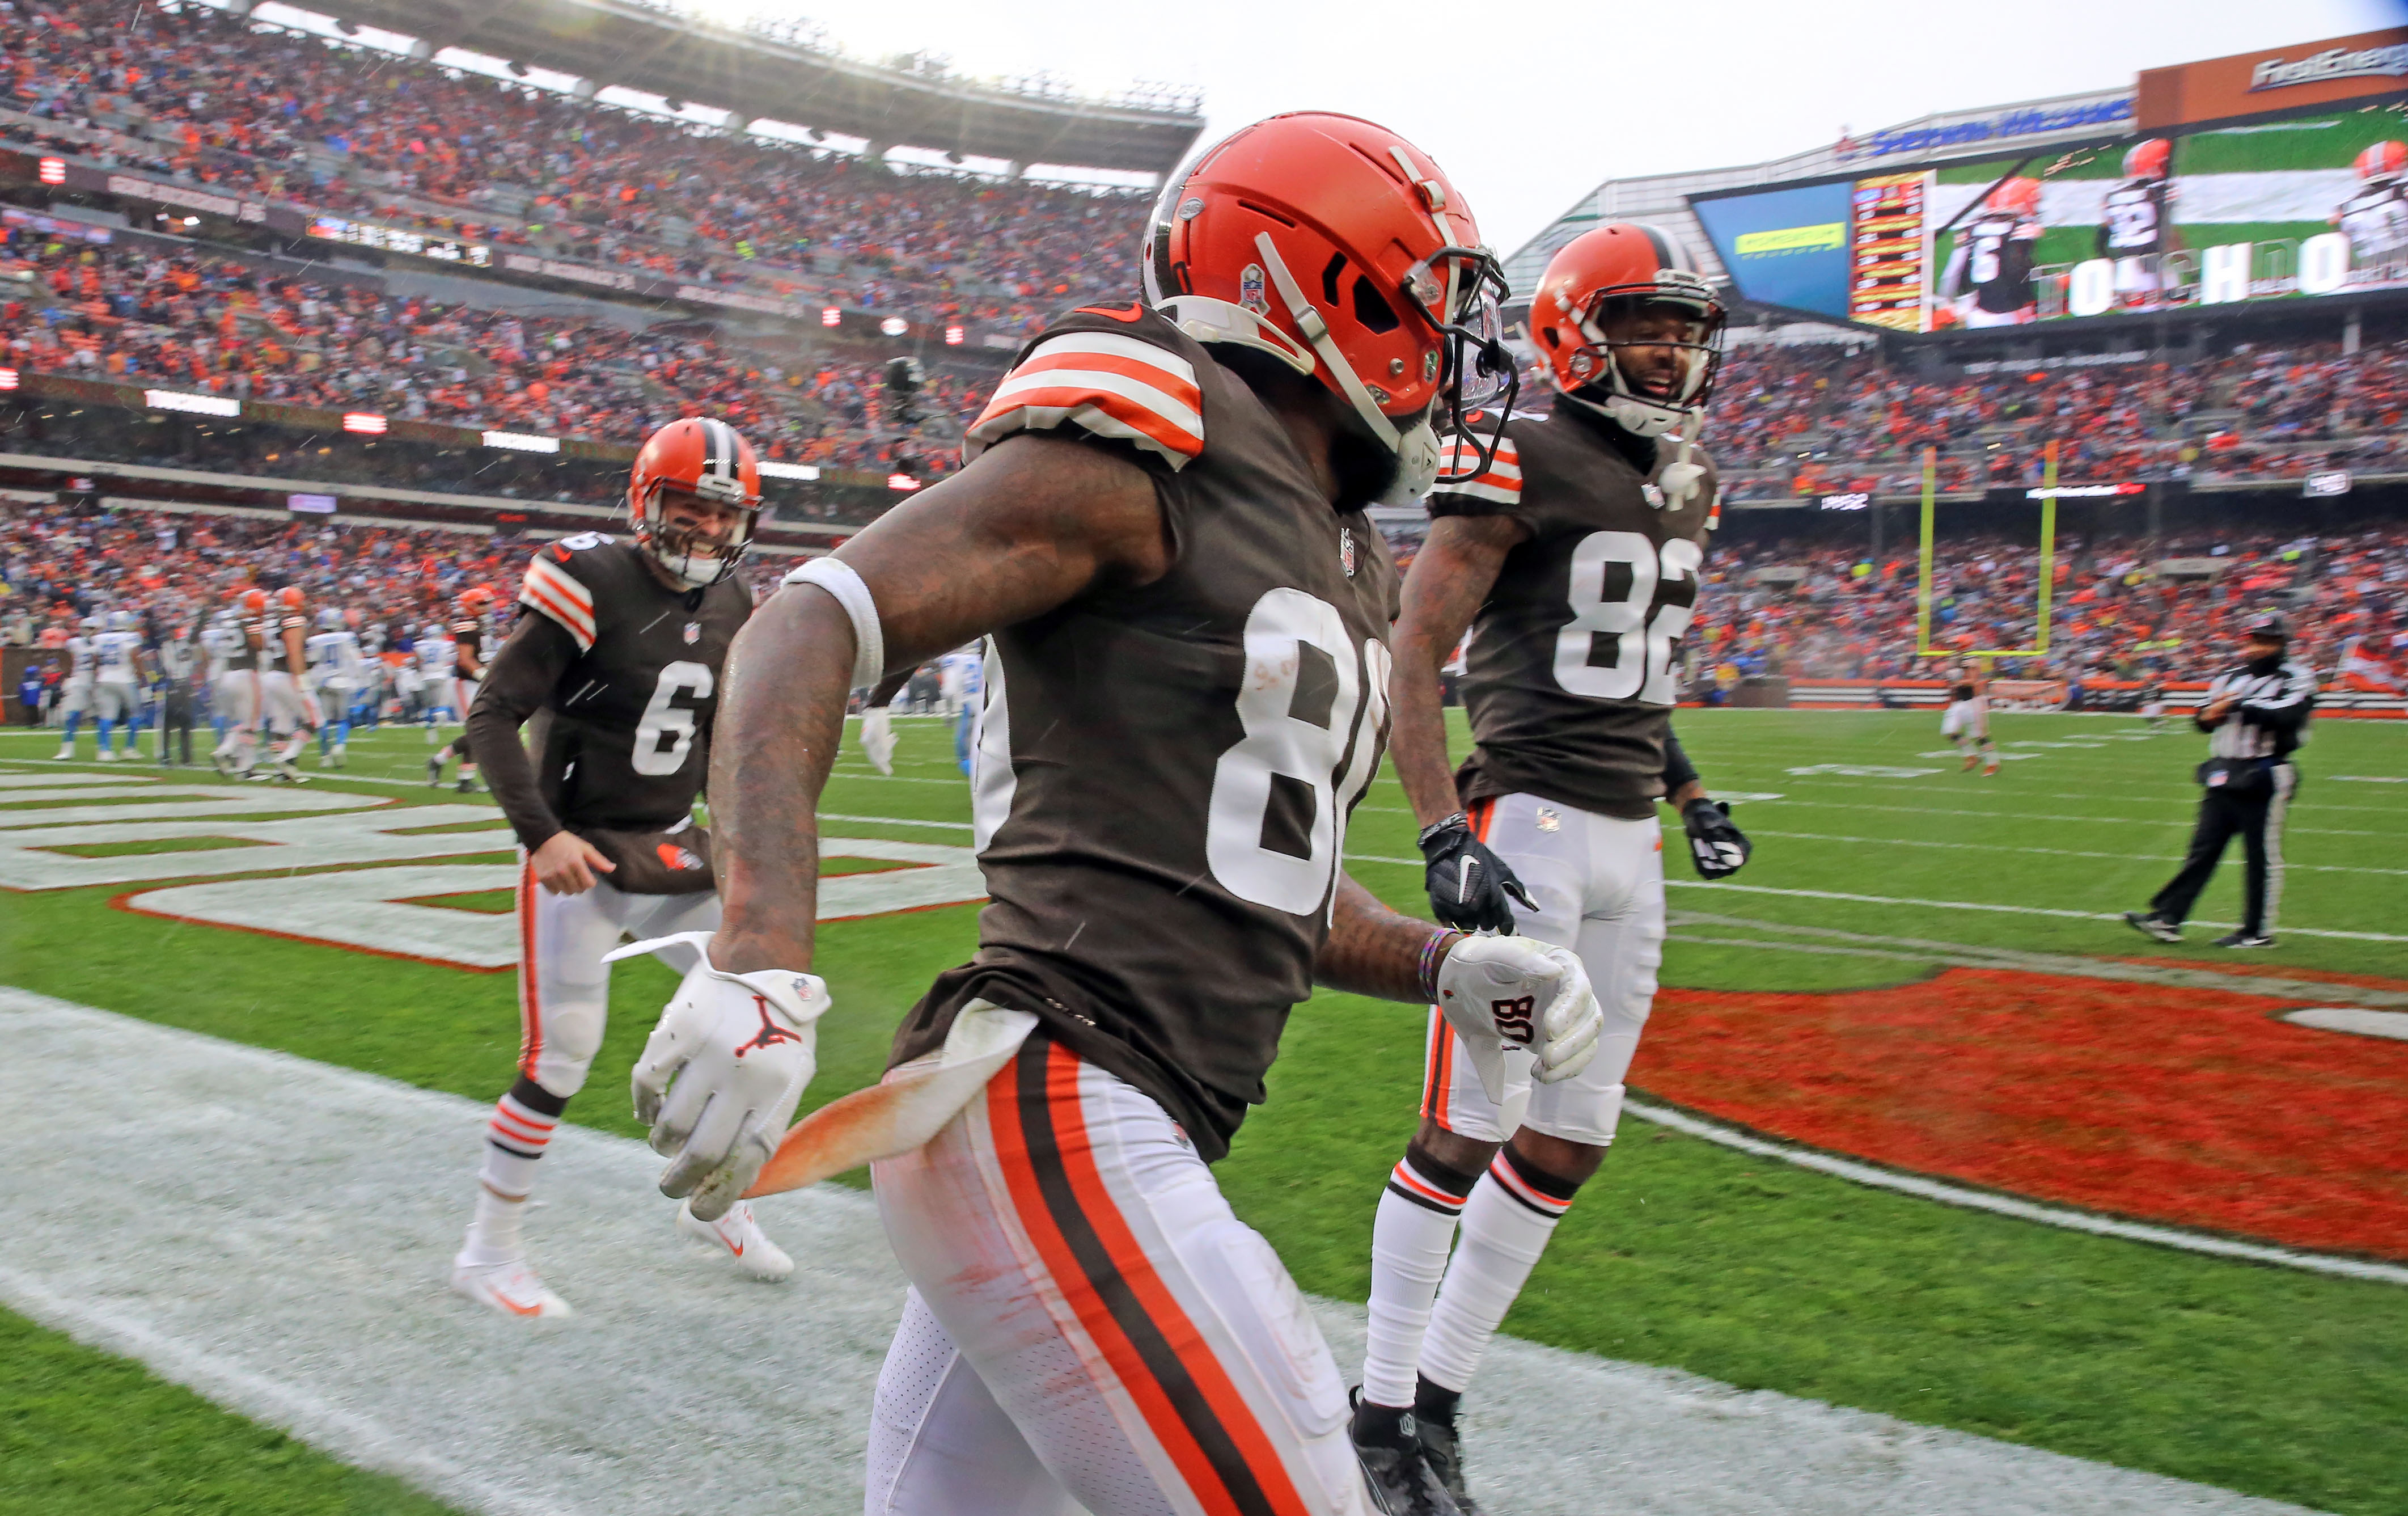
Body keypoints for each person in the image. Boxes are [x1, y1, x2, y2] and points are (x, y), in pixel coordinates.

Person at [622, 113, 1601, 1516]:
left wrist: (1439, 960)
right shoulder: (1166, 426)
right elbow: (808, 619)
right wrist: (761, 946)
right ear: (1329, 286)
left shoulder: (1336, 547)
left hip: (1080, 1120)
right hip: (1061, 1099)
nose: (1455, 355)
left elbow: (1262, 873)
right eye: (1430, 306)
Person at [1351, 222, 1754, 1514]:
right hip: (1525, 825)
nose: (1670, 350)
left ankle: (1438, 1398)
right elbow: (1414, 650)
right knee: (1463, 1129)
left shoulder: (1686, 474)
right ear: (1579, 330)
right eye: (1645, 325)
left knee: (1571, 1141)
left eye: (1683, 330)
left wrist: (1689, 791)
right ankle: (1376, 1411)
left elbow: (1633, 671)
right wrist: (1439, 828)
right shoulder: (1515, 445)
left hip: (1630, 839)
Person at [450, 416, 783, 1319]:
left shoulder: (734, 600)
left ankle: (717, 1204)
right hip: (580, 851)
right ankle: (487, 1253)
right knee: (561, 1054)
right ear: (645, 501)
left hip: (668, 842)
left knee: (761, 1020)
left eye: (724, 513)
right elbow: (492, 713)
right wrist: (541, 836)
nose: (707, 528)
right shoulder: (590, 578)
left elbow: (712, 734)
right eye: (689, 506)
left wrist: (732, 829)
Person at [2125, 614, 2316, 951]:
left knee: (2260, 856)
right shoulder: (2231, 676)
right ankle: (2168, 917)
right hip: (2224, 771)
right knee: (2202, 850)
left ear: (2282, 644)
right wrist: (2209, 715)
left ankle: (2257, 931)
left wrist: (2237, 704)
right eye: (2256, 640)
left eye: (2268, 641)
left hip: (2267, 771)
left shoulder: (2297, 677)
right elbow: (2202, 719)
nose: (2260, 647)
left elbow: (2286, 714)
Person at [1938, 177, 2042, 327]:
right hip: (2014, 312)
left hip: (1979, 314)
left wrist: (1945, 304)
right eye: (2033, 201)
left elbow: (1952, 272)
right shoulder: (2022, 229)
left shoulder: (1971, 228)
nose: (2035, 206)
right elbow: (2017, 270)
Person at [2097, 138, 2178, 311]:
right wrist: (2187, 262)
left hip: (2125, 270)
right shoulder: (2158, 193)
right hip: (2152, 266)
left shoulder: (2111, 195)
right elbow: (2168, 234)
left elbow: (2102, 237)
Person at [429, 586, 494, 792]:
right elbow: (465, 660)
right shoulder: (467, 625)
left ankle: (462, 778)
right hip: (466, 684)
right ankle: (441, 763)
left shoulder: (477, 624)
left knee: (477, 731)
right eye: (482, 604)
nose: (486, 607)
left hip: (474, 683)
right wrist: (485, 676)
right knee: (477, 730)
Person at [306, 606, 365, 768]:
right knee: (343, 719)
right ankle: (339, 745)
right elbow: (356, 660)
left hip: (323, 682)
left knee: (323, 721)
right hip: (343, 681)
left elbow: (311, 662)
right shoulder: (348, 637)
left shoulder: (314, 640)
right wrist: (358, 680)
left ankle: (325, 757)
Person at [91, 608, 149, 762]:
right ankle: (129, 749)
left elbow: (95, 660)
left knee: (107, 715)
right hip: (126, 679)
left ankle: (104, 751)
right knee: (135, 713)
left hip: (105, 678)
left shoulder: (100, 638)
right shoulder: (132, 637)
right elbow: (136, 657)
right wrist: (141, 675)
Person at [49, 614, 96, 759]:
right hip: (81, 680)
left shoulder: (104, 641)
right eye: (87, 628)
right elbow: (68, 661)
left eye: (93, 628)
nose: (90, 631)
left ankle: (107, 750)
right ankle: (67, 749)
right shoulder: (75, 643)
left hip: (99, 681)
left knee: (105, 716)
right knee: (72, 716)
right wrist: (68, 676)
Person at [1942, 661, 1999, 774]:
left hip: (1973, 704)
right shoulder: (1959, 672)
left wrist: (1959, 681)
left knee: (1980, 736)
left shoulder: (1972, 674)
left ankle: (1992, 763)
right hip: (1959, 704)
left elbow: (1974, 684)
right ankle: (1971, 756)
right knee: (1950, 732)